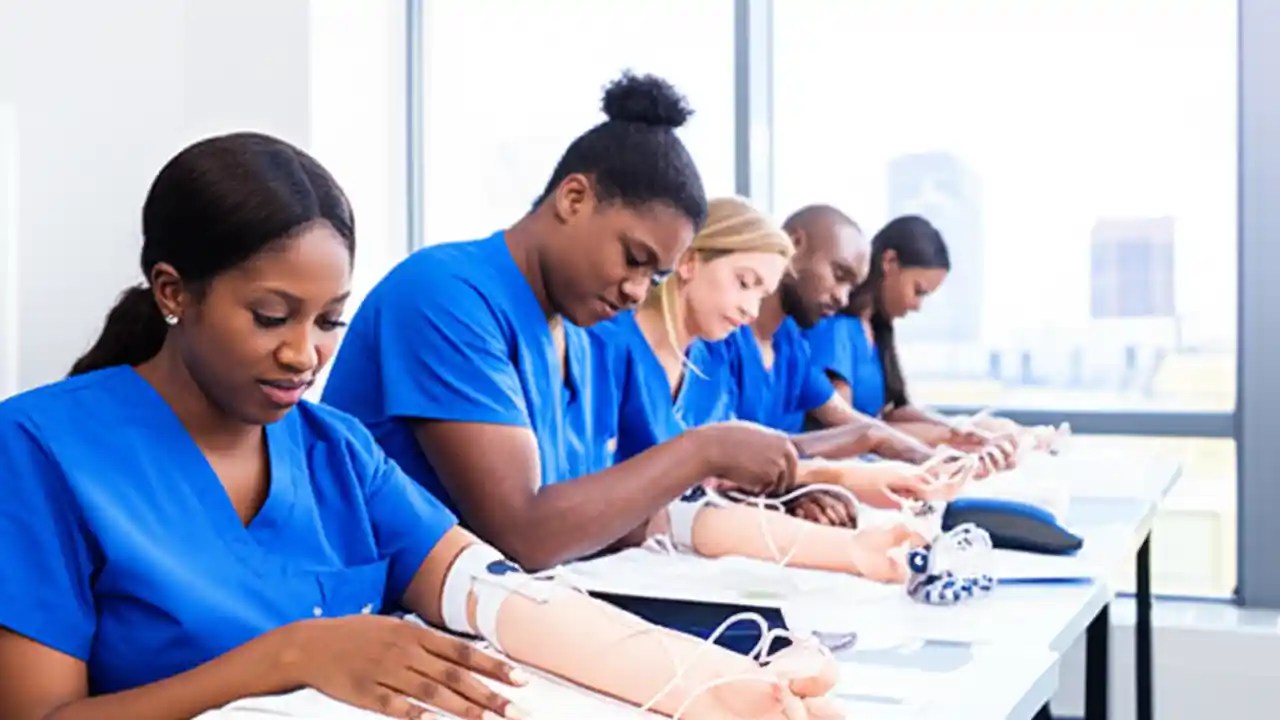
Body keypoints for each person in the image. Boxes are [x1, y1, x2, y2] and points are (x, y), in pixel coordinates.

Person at [0, 133, 839, 720]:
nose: (305, 355)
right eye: (269, 316)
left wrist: (715, 686)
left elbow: (500, 592)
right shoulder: (43, 452)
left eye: (330, 320)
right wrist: (289, 655)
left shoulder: (336, 454)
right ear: (174, 293)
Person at [322, 72, 798, 574]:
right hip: (383, 618)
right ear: (574, 199)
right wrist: (707, 449)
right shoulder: (446, 295)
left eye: (655, 276)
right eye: (634, 258)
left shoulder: (587, 337)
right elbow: (523, 533)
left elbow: (626, 516)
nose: (638, 290)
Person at [591, 197, 952, 528]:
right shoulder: (613, 347)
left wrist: (786, 492)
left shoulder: (712, 364)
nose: (750, 309)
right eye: (745, 283)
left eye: (761, 293)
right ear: (688, 262)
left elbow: (723, 475)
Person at [811, 215, 1049, 452]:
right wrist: (943, 436)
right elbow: (843, 428)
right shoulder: (838, 330)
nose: (917, 305)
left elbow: (892, 413)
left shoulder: (875, 332)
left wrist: (959, 429)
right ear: (890, 262)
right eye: (918, 291)